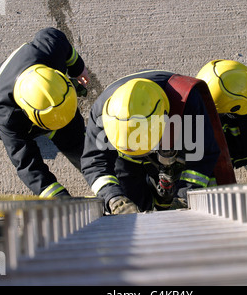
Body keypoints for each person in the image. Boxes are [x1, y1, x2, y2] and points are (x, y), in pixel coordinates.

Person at [81, 70, 232, 215]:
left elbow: (203, 155)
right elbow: (95, 163)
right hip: (126, 162)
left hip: (173, 151)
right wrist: (114, 199)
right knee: (131, 212)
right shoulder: (102, 112)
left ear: (165, 119)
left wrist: (183, 197)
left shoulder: (186, 102)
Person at [0, 27, 90, 198]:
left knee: (76, 141)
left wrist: (78, 68)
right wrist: (60, 200)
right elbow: (28, 166)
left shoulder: (50, 49)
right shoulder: (7, 117)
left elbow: (58, 38)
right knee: (61, 141)